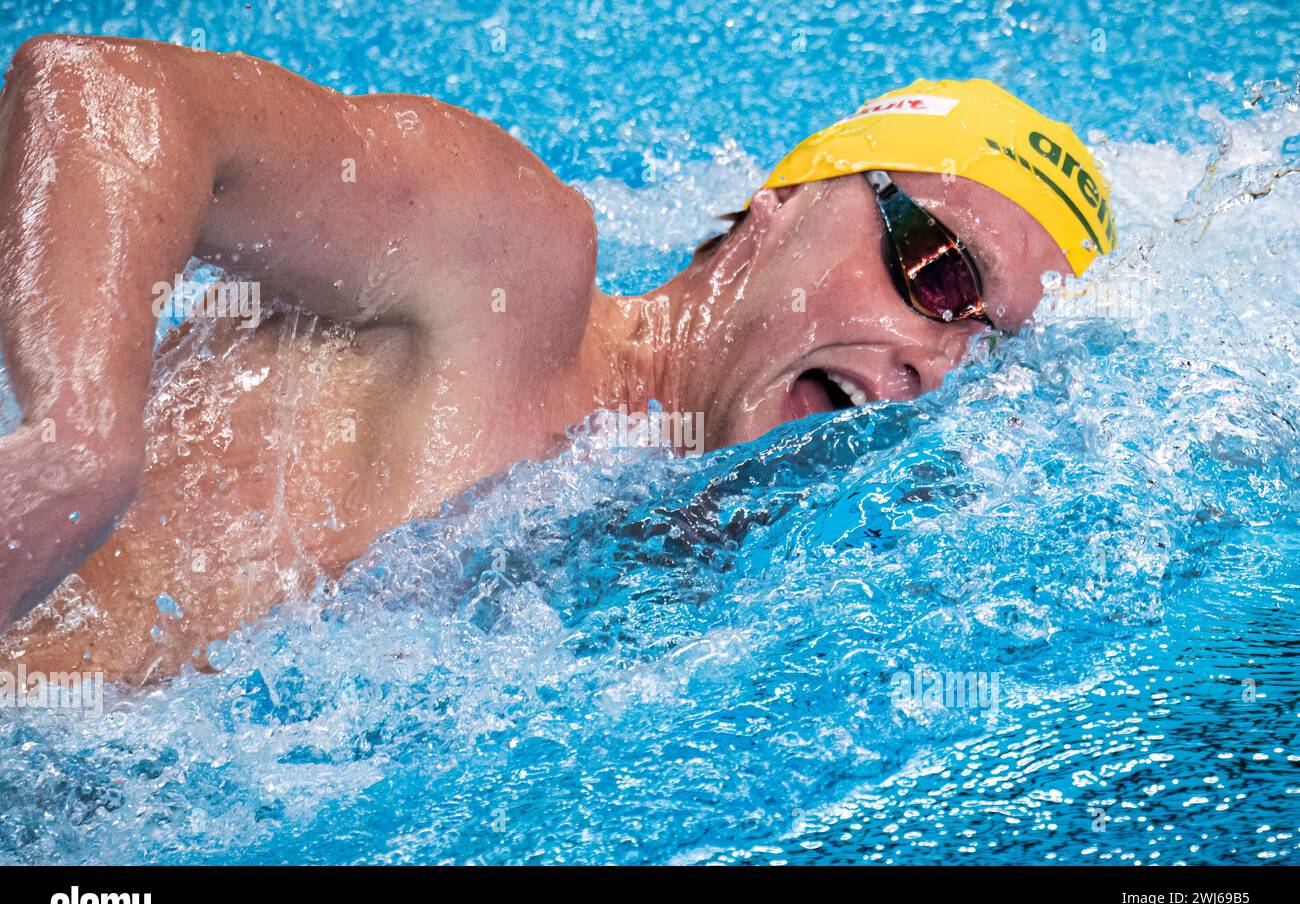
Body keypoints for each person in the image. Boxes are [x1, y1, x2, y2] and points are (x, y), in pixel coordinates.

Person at [0, 35, 1114, 682]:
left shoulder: (695, 597)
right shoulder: (508, 271)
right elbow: (104, 94)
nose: (934, 362)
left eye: (990, 355)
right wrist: (78, 445)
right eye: (937, 271)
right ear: (780, 206)